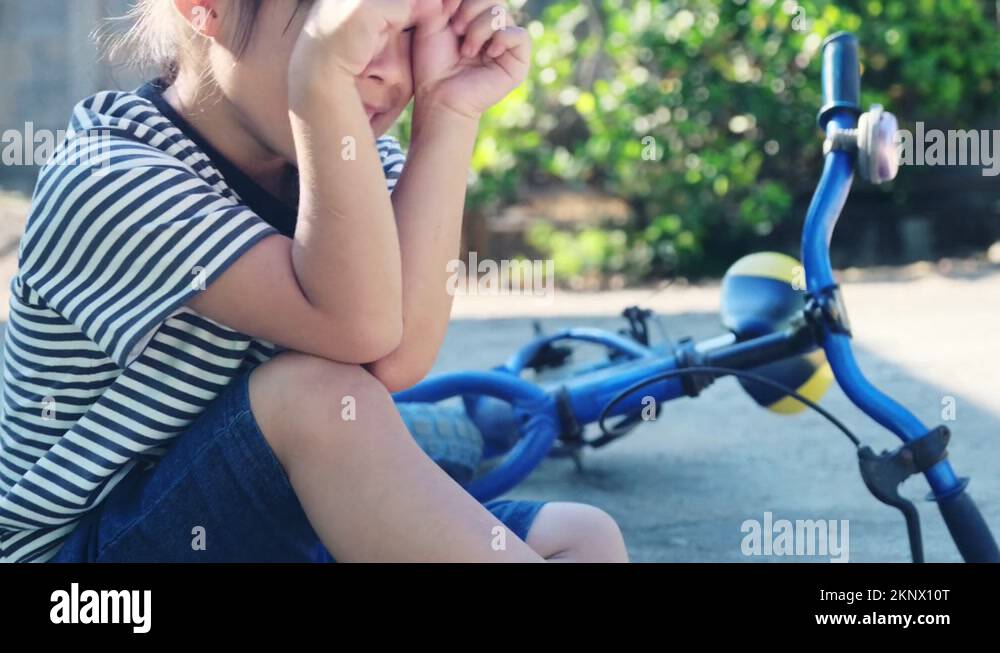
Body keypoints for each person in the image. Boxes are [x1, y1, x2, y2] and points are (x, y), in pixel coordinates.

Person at [0, 0, 628, 563]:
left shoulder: (347, 160)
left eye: (403, 30)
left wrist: (449, 110)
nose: (387, 68)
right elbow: (356, 331)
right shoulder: (107, 176)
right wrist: (322, 81)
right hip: (90, 563)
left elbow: (396, 355)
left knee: (583, 536)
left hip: (270, 517)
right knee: (315, 395)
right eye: (348, 25)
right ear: (204, 8)